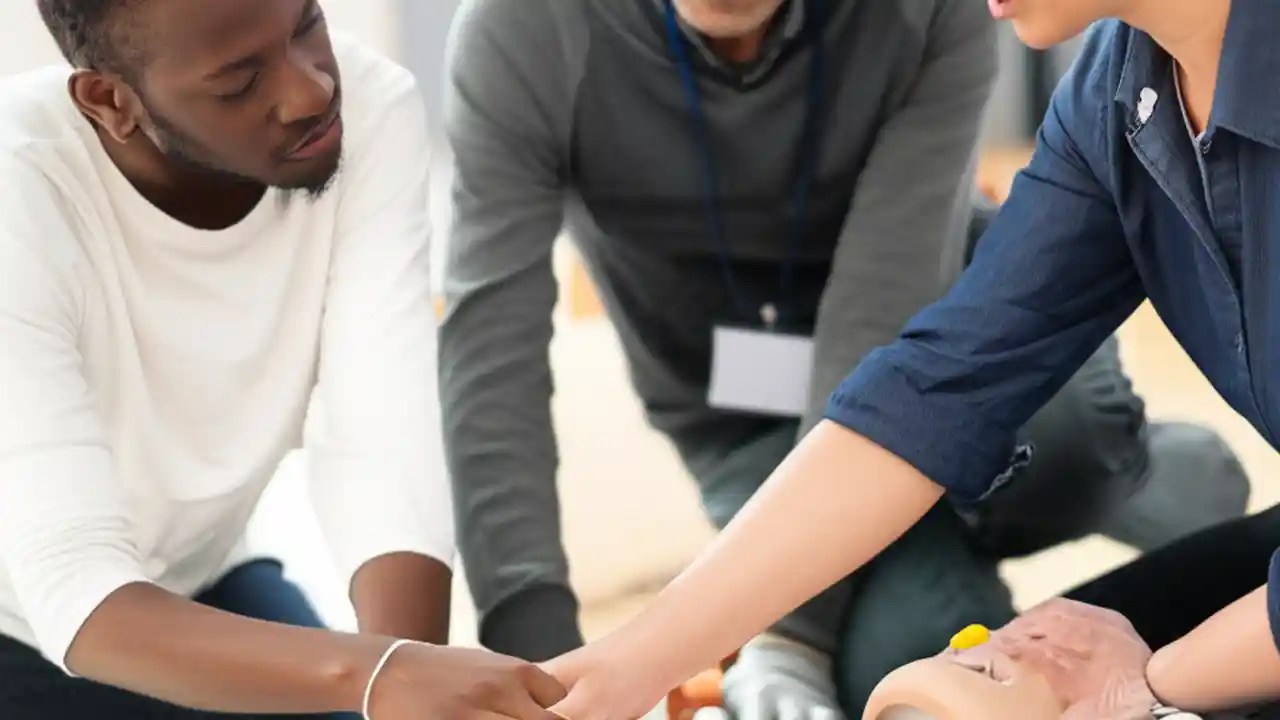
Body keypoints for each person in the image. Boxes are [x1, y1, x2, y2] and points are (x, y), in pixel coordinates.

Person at [439, 0, 1248, 715]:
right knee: (916, 666)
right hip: (760, 417)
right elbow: (492, 357)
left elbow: (912, 347)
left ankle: (1136, 476)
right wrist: (557, 681)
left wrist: (790, 632)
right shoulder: (521, 35)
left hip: (951, 339)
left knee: (1068, 449)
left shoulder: (940, 21)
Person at [0, 1, 565, 718]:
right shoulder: (18, 188)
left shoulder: (370, 107)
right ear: (111, 102)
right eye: (239, 82)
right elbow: (72, 583)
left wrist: (403, 684)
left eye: (306, 25)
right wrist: (382, 675)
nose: (312, 90)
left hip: (199, 583)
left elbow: (381, 443)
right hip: (36, 621)